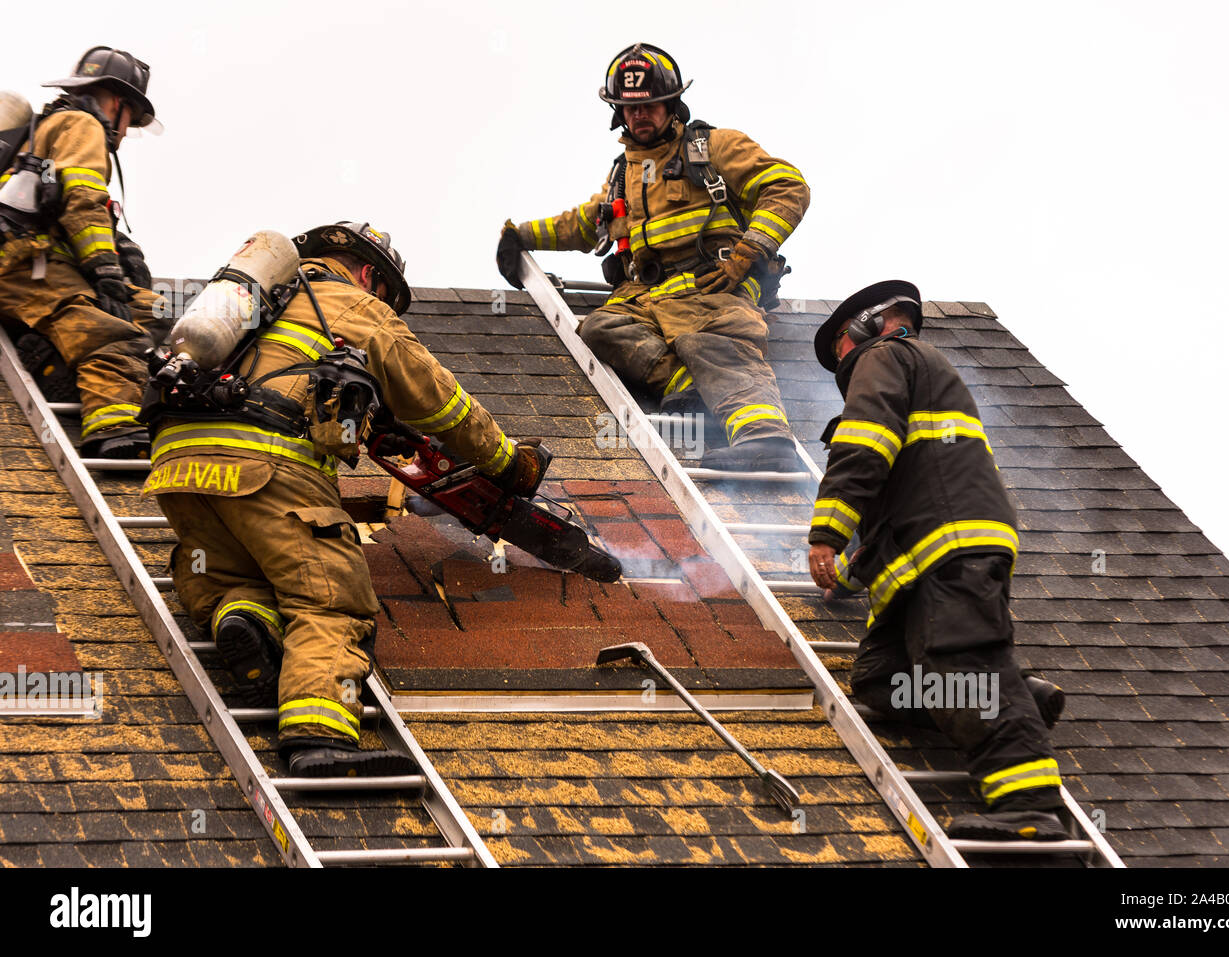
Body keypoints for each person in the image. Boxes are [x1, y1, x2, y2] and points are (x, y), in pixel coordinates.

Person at [142, 222, 545, 777]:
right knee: (332, 599)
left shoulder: (256, 301)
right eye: (385, 292)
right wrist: (505, 461)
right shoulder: (355, 305)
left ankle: (247, 623)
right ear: (367, 274)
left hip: (179, 465)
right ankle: (321, 736)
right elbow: (438, 401)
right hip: (268, 460)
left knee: (239, 573)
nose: (385, 303)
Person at [808, 280, 1069, 841]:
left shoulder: (887, 356)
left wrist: (827, 533)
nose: (842, 366)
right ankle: (1018, 693)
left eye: (841, 349)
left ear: (868, 325)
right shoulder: (915, 376)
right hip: (925, 555)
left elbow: (866, 442)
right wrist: (849, 577)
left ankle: (1030, 808)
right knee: (882, 680)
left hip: (949, 549)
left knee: (964, 668)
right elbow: (891, 518)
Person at [496, 42, 810, 471]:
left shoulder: (714, 147)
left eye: (650, 106)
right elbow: (589, 220)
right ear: (617, 112)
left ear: (671, 103)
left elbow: (788, 186)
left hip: (713, 289)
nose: (639, 115)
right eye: (629, 108)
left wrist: (749, 249)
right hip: (646, 300)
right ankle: (687, 387)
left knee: (713, 346)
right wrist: (522, 234)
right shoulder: (624, 173)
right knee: (601, 326)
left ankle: (765, 439)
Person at [0, 46, 164, 457]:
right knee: (111, 336)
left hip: (37, 265)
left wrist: (122, 262)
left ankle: (49, 358)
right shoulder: (82, 124)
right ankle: (116, 431)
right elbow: (83, 200)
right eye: (131, 122)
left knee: (160, 313)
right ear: (118, 104)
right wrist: (105, 270)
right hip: (26, 265)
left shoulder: (50, 126)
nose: (125, 134)